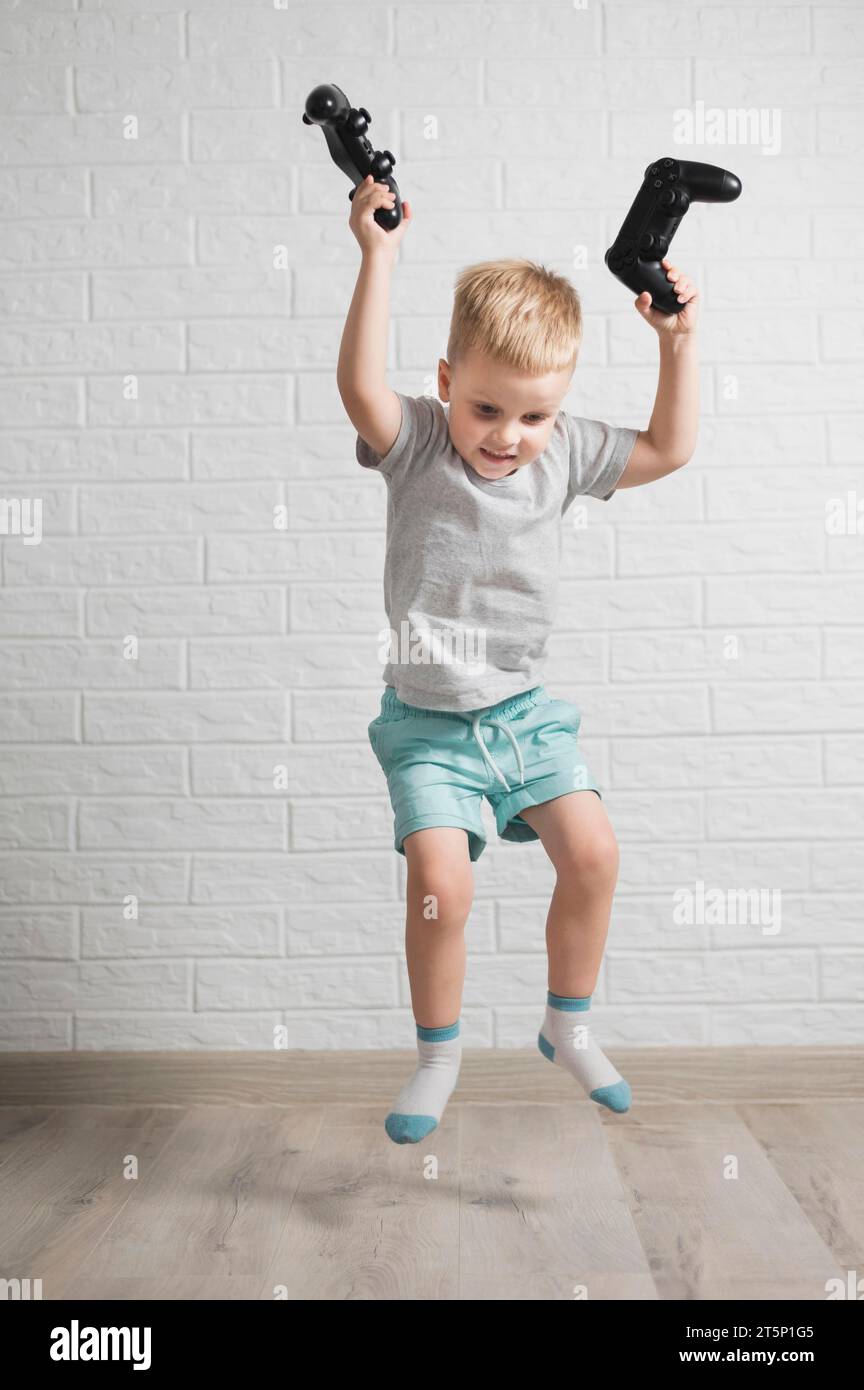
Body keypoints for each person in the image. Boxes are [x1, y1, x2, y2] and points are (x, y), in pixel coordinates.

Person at [337, 174, 700, 1144]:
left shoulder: (566, 451)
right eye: (489, 408)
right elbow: (359, 390)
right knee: (440, 887)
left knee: (595, 853)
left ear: (561, 407)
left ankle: (566, 1023)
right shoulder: (416, 443)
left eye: (533, 416)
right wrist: (379, 258)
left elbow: (671, 446)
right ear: (449, 381)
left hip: (525, 717)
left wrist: (677, 342)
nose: (509, 438)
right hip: (427, 725)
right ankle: (438, 1057)